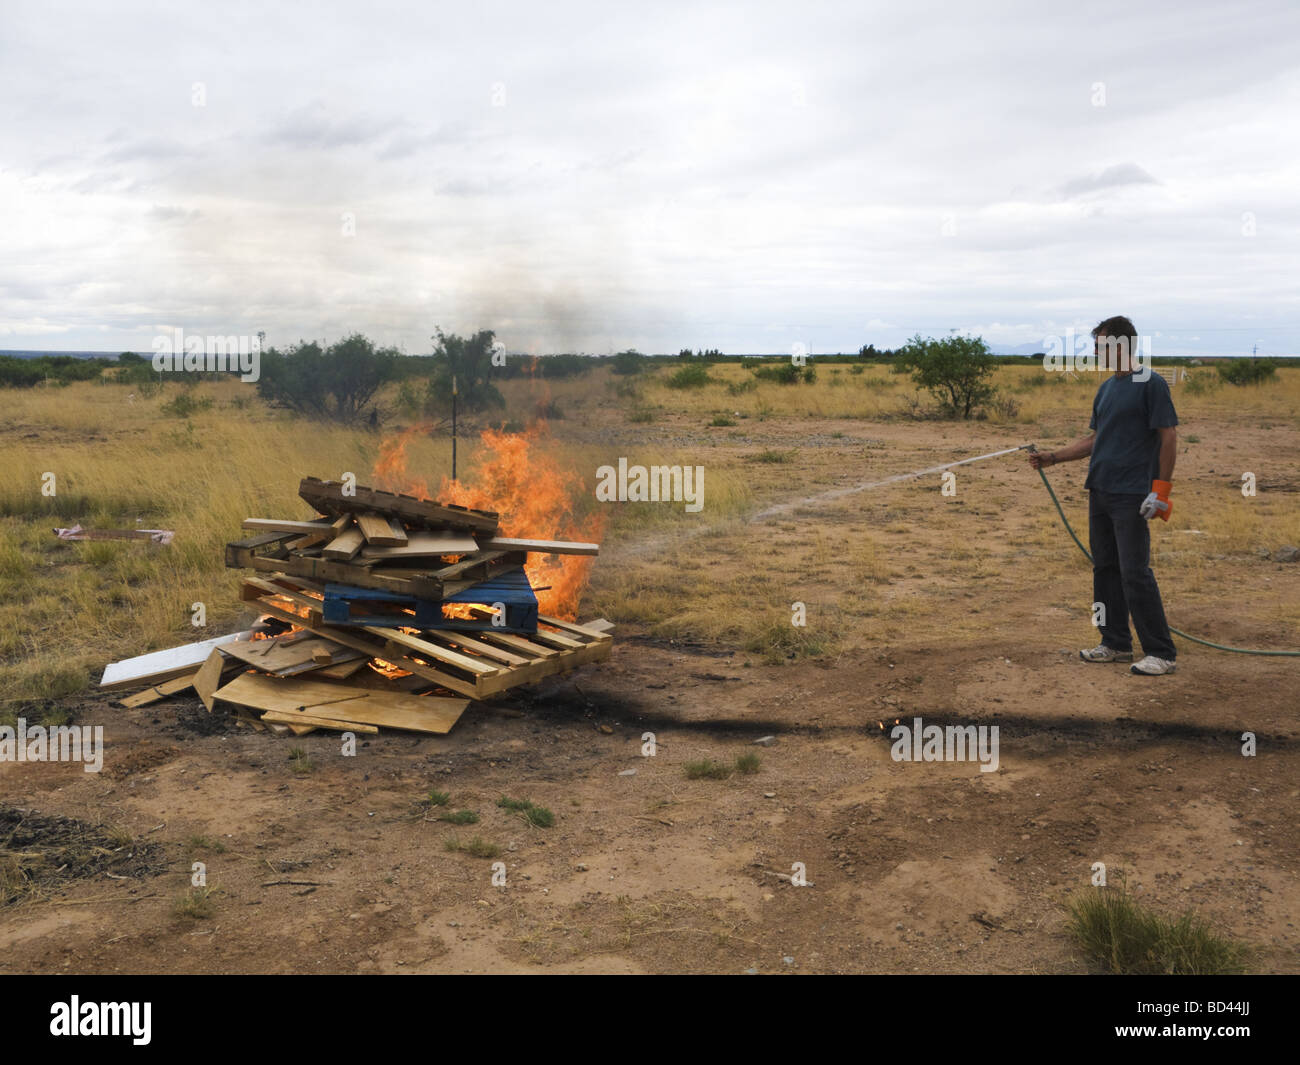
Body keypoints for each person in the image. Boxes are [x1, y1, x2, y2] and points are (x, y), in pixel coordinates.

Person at [1028, 316, 1179, 676]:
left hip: (1132, 495)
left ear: (1122, 345)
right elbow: (1095, 439)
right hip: (1100, 489)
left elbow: (1169, 437)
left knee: (1134, 572)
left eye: (1100, 345)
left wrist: (1160, 491)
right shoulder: (1107, 388)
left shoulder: (1151, 383)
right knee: (1105, 569)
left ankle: (1161, 652)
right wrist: (1052, 458)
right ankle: (1114, 643)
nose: (1095, 351)